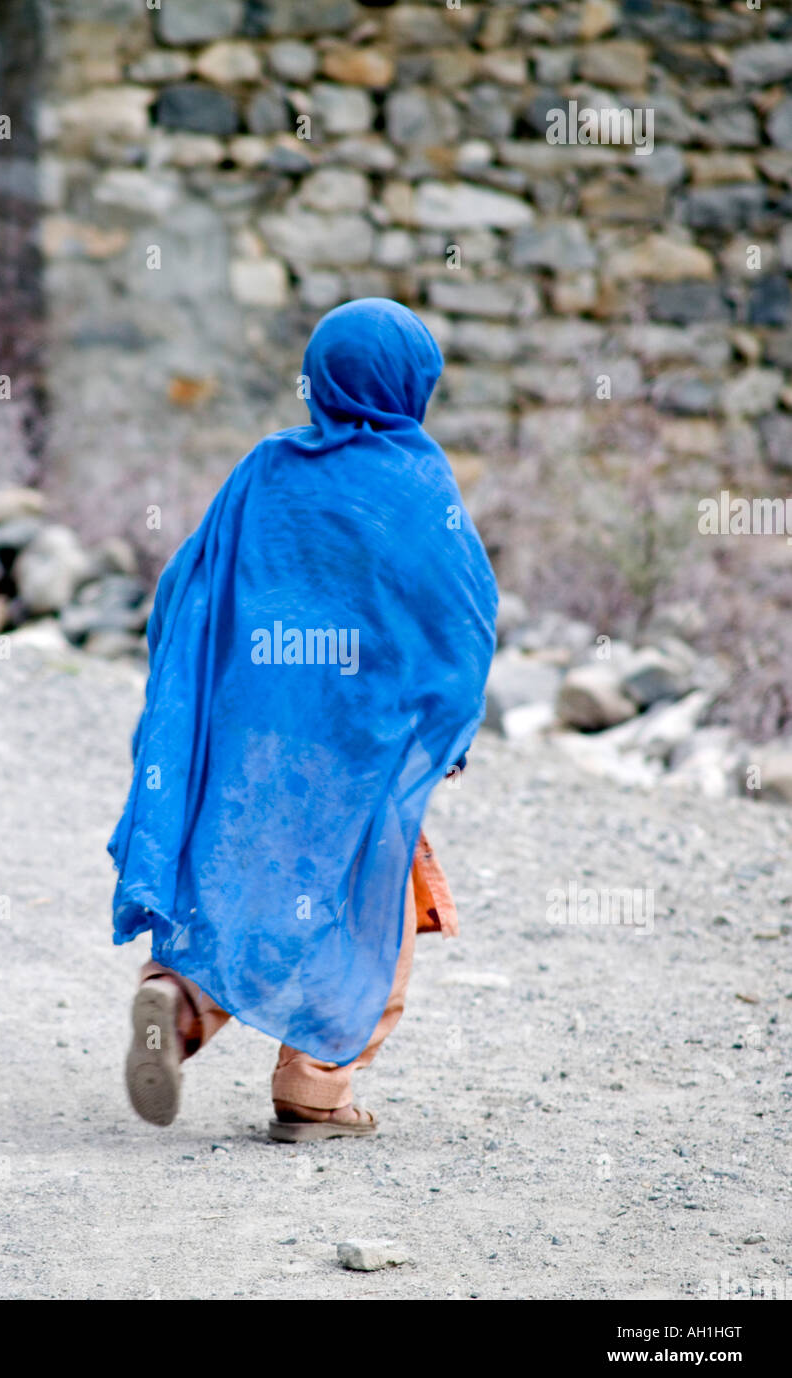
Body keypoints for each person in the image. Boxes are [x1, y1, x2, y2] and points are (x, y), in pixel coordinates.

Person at [108, 298, 498, 1141]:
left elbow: (187, 585)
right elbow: (461, 621)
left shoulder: (268, 467)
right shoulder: (413, 481)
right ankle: (316, 1087)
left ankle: (178, 1003)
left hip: (259, 735)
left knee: (247, 879)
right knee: (367, 905)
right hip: (366, 744)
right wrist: (447, 730)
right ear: (413, 381)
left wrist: (201, 697)